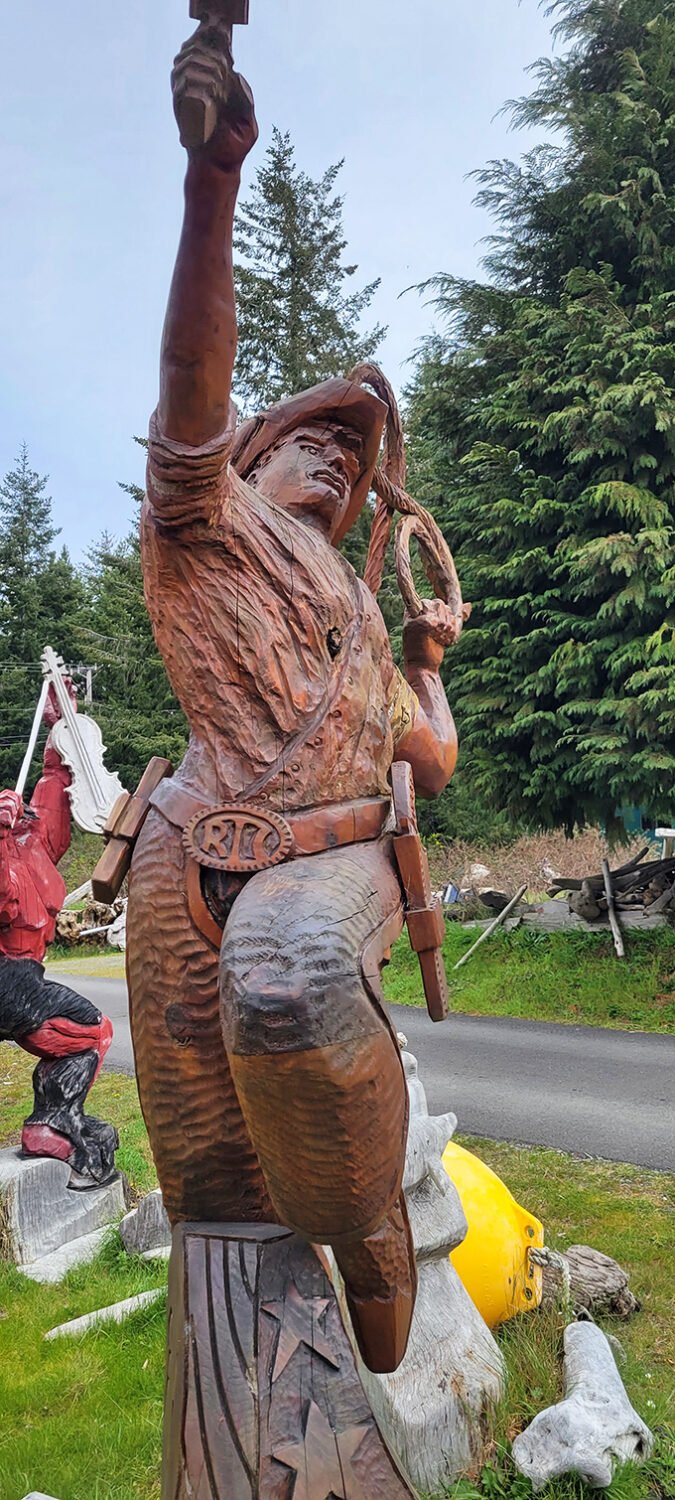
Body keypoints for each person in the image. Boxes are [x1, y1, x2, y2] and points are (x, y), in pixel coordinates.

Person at [126, 17, 458, 1373]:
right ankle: (254, 1375)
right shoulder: (199, 520)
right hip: (178, 868)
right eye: (302, 438)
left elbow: (423, 766)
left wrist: (423, 665)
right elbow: (189, 392)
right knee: (210, 1181)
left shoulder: (362, 619)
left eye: (345, 448)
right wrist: (213, 189)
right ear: (249, 461)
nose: (325, 454)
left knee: (292, 978)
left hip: (328, 867)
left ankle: (368, 1220)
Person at [0, 682, 117, 1183]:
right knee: (92, 1031)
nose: (27, 814)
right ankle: (53, 1120)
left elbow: (54, 779)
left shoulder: (36, 847)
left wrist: (57, 728)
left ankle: (50, 1125)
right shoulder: (10, 852)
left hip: (25, 976)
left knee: (85, 1035)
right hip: (7, 978)